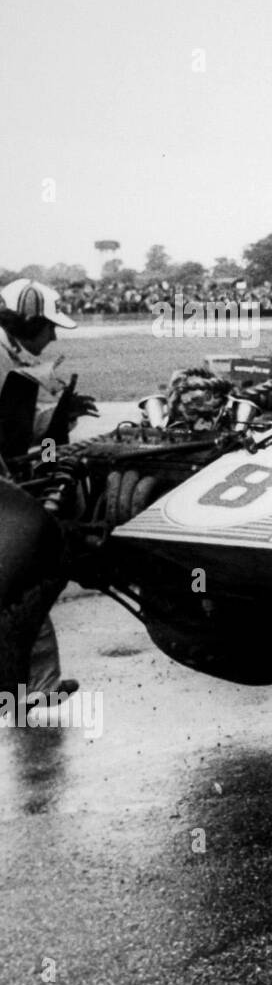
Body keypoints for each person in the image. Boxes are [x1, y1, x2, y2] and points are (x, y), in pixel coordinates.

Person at [0, 278, 95, 698]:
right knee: (27, 568)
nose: (54, 335)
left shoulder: (10, 354)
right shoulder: (4, 360)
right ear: (30, 319)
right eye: (49, 325)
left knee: (28, 569)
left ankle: (39, 684)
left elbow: (18, 432)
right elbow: (12, 435)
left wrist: (59, 416)